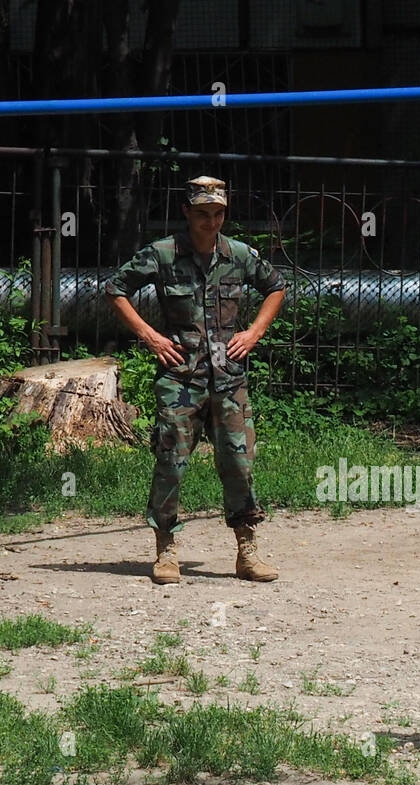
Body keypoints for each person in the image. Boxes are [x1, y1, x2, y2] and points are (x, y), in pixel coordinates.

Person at [105, 175, 286, 584]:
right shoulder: (163, 254)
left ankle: (247, 550)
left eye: (218, 213)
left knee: (239, 464)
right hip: (180, 376)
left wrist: (254, 333)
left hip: (228, 377)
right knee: (171, 463)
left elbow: (276, 286)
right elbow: (115, 289)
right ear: (187, 212)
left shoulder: (238, 254)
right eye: (203, 214)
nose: (211, 222)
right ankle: (166, 551)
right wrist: (149, 336)